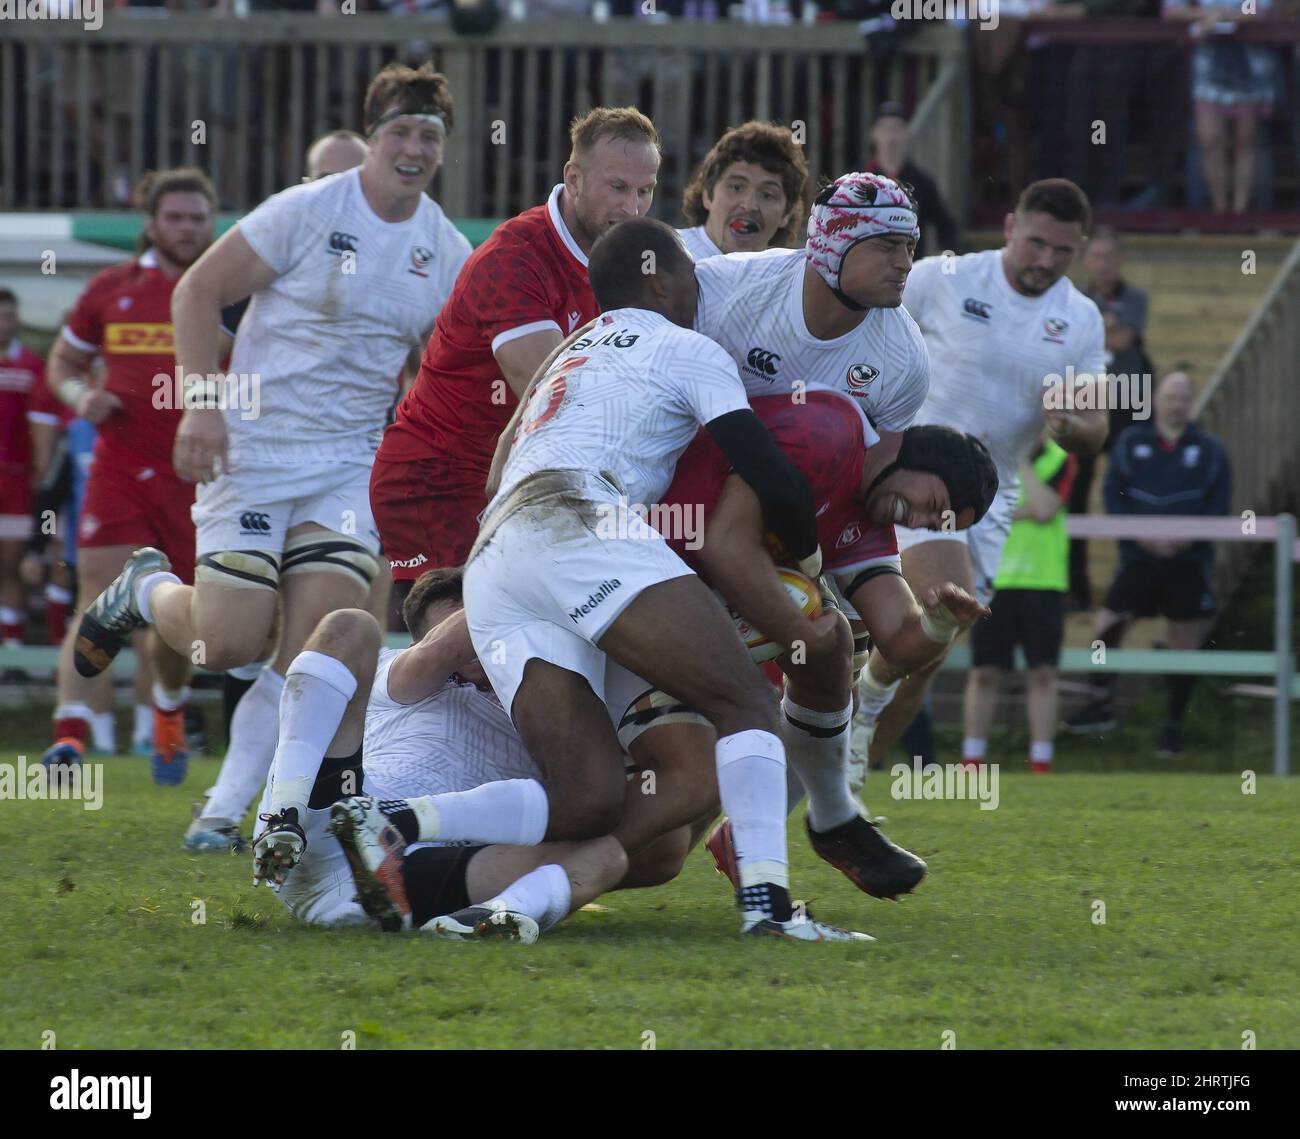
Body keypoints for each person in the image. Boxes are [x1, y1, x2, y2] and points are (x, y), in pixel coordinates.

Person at [334, 219, 875, 943]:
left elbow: (499, 467)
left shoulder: (567, 351)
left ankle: (394, 822)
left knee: (587, 795)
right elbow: (769, 469)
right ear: (659, 278)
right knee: (744, 703)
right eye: (691, 277)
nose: (699, 293)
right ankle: (769, 910)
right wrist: (809, 571)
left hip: (498, 553)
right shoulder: (686, 346)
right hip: (579, 517)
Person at [70, 64, 473, 853]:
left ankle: (237, 814)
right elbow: (196, 292)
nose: (415, 146)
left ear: (443, 150)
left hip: (347, 465)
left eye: (430, 135)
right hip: (254, 450)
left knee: (307, 651)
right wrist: (201, 403)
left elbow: (444, 368)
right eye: (400, 130)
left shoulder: (445, 251)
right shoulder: (306, 210)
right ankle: (145, 589)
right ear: (372, 136)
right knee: (224, 643)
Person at [855, 178, 1108, 772]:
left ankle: (848, 777)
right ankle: (837, 779)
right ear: (1012, 227)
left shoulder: (1080, 318)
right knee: (927, 619)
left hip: (993, 499)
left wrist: (1071, 425)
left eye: (1062, 251)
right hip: (916, 477)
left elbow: (1097, 428)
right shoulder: (944, 278)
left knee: (927, 654)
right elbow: (866, 325)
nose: (1045, 261)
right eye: (1037, 243)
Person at [251, 568, 628, 942]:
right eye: (473, 632)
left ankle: (483, 919)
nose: (480, 645)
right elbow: (439, 651)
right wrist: (533, 572)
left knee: (608, 857)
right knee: (349, 624)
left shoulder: (544, 713)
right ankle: (284, 816)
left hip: (403, 876)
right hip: (331, 819)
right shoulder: (401, 671)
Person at [370, 106, 660, 589]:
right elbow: (555, 396)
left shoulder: (626, 255)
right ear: (574, 177)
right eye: (618, 188)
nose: (632, 208)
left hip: (520, 481)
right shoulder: (514, 257)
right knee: (470, 646)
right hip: (437, 480)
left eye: (645, 191)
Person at [40, 169, 222, 781]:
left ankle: (160, 726)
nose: (187, 228)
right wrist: (77, 394)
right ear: (151, 223)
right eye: (175, 217)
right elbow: (63, 361)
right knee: (99, 596)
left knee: (182, 612)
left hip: (200, 476)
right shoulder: (109, 289)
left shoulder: (229, 292)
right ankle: (72, 738)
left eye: (198, 218)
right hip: (119, 467)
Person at [690, 170, 931, 436]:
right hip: (701, 451)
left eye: (909, 247)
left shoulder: (906, 357)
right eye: (888, 246)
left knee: (825, 431)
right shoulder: (723, 286)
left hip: (805, 476)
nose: (905, 264)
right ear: (835, 244)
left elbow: (878, 467)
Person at [1064, 371, 1230, 757]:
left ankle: (1173, 726)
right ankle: (1101, 701)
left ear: (1190, 404)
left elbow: (1219, 503)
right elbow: (1114, 495)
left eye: (1184, 397)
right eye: (1171, 396)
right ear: (1156, 400)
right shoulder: (1132, 442)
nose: (1177, 404)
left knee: (1183, 641)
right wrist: (1141, 535)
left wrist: (1186, 537)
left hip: (1188, 560)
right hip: (1139, 557)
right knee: (1106, 626)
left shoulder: (1208, 449)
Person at [963, 435, 1076, 773]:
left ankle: (1040, 761)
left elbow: (1044, 509)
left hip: (1044, 583)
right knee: (984, 672)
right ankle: (972, 760)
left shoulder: (1061, 459)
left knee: (1042, 672)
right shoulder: (986, 458)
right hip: (993, 582)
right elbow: (978, 514)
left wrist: (1020, 458)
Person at [1071, 225, 1152, 608]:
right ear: (1087, 260)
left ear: (1120, 261)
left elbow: (1125, 340)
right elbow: (1078, 338)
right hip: (1085, 404)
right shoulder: (1073, 297)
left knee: (1129, 495)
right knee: (1076, 496)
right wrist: (1107, 326)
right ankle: (1077, 590)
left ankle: (1134, 589)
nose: (1102, 265)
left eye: (1109, 257)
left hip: (1129, 405)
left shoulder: (1135, 297)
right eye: (1096, 257)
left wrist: (1095, 327)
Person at [1164, 0, 1279, 214]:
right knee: (1209, 139)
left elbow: (1257, 9)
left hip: (1248, 62)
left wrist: (1223, 16)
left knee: (1245, 139)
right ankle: (1219, 209)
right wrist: (1208, 13)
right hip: (1207, 61)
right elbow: (1172, 10)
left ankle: (1240, 210)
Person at [676, 121, 808, 260]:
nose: (750, 206)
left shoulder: (789, 276)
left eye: (767, 195)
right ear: (707, 195)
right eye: (737, 188)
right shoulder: (666, 256)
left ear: (786, 214)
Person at [0, 287, 48, 647]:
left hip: (16, 481)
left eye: (9, 316)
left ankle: (13, 648)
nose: (4, 323)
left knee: (11, 563)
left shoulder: (32, 365)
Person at [864, 102, 960, 259]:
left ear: (906, 133)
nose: (891, 137)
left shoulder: (922, 182)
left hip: (910, 270)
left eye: (897, 129)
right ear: (874, 133)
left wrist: (944, 263)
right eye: (885, 129)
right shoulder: (859, 179)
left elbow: (947, 227)